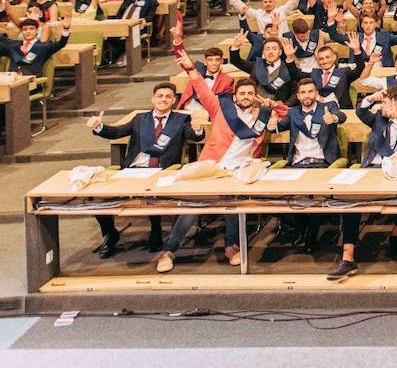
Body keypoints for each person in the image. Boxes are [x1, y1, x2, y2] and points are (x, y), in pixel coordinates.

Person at [155, 54, 284, 273]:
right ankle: (169, 250)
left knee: (232, 204)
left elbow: (285, 111)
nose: (245, 97)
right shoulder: (221, 109)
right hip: (212, 167)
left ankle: (231, 246)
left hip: (240, 170)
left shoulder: (261, 114)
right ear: (234, 96)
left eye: (250, 94)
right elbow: (202, 90)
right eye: (241, 93)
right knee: (193, 207)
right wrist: (191, 69)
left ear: (255, 96)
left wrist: (268, 103)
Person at [86, 83, 203, 257]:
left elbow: (194, 136)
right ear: (153, 99)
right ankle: (110, 234)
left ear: (173, 100)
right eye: (160, 96)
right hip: (133, 171)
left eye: (168, 97)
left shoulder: (181, 120)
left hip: (162, 171)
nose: (163, 99)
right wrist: (99, 126)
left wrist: (198, 130)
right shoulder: (140, 119)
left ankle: (156, 230)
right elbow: (117, 132)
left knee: (152, 195)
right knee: (98, 199)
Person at [328, 85, 397, 280]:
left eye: (385, 103)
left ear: (396, 104)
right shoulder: (378, 119)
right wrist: (371, 98)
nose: (381, 106)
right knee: (350, 202)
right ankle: (348, 258)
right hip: (371, 169)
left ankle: (395, 234)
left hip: (396, 173)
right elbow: (361, 112)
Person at [271, 79, 347, 252]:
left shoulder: (328, 107)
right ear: (298, 96)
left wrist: (334, 117)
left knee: (320, 199)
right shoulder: (293, 113)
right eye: (303, 92)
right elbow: (276, 127)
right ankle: (303, 226)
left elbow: (341, 116)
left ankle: (310, 237)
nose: (307, 95)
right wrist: (271, 125)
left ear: (316, 93)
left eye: (310, 91)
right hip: (297, 165)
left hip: (321, 164)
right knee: (273, 198)